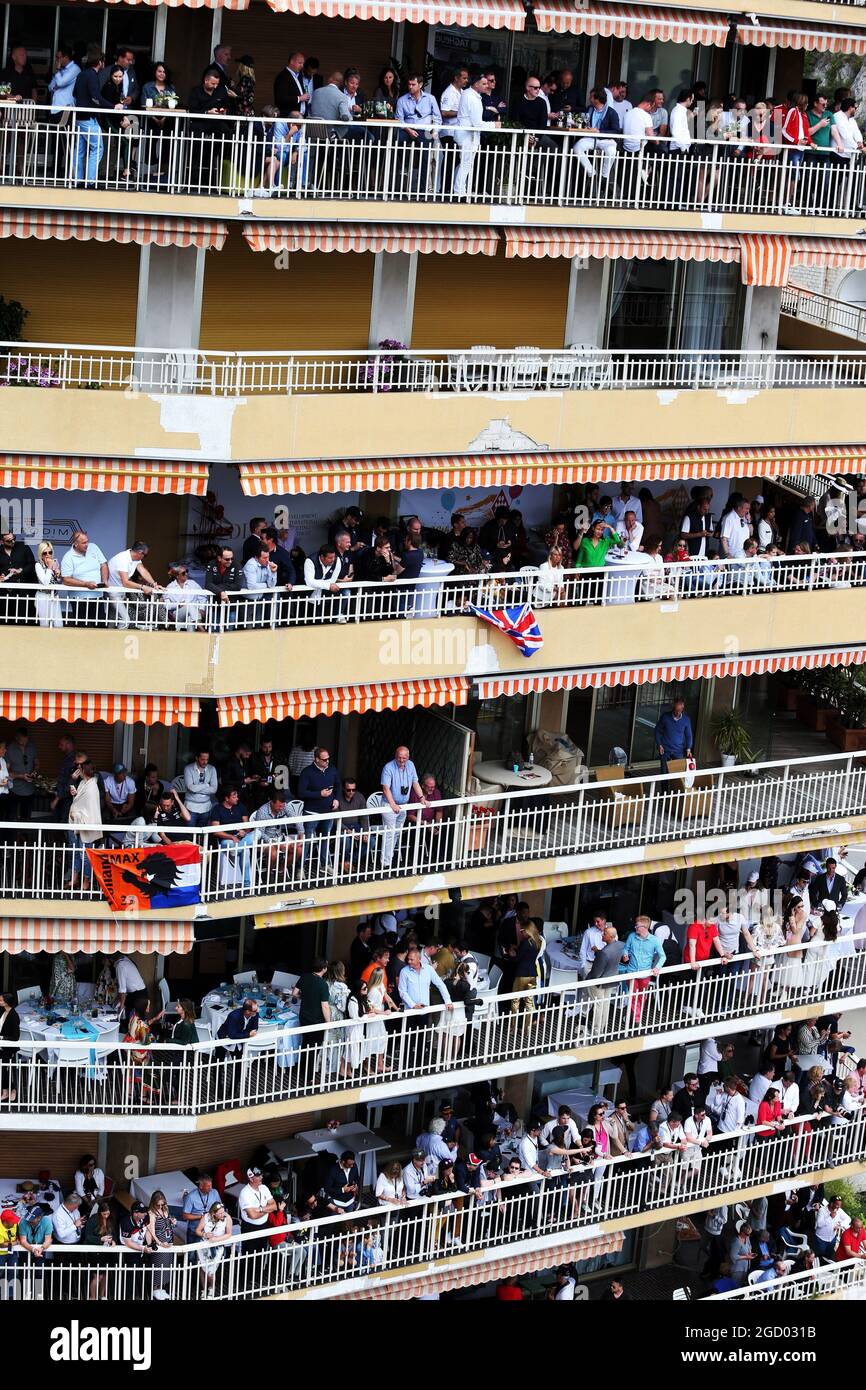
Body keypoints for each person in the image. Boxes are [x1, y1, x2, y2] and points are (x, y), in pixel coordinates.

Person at [379, 745, 425, 870]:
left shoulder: (411, 765)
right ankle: (385, 863)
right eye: (399, 757)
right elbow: (386, 788)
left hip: (403, 805)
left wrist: (421, 797)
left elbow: (415, 782)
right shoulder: (388, 767)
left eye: (404, 758)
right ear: (395, 756)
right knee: (389, 833)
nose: (401, 760)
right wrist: (393, 804)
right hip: (389, 805)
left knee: (397, 832)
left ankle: (389, 858)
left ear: (408, 757)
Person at [195, 1201, 232, 1294]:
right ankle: (204, 1289)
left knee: (211, 1272)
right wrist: (205, 1234)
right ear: (213, 1213)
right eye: (220, 1213)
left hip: (217, 1247)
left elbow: (229, 1234)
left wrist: (216, 1239)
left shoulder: (227, 1218)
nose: (223, 1214)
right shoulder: (206, 1217)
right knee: (203, 1269)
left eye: (223, 1212)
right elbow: (198, 1230)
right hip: (204, 1246)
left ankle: (211, 1288)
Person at [654, 696, 693, 774]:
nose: (678, 712)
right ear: (673, 707)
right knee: (664, 774)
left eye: (680, 710)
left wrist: (688, 748)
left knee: (678, 774)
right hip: (665, 750)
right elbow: (657, 731)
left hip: (678, 751)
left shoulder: (686, 720)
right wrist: (659, 744)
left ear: (682, 708)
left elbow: (689, 736)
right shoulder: (665, 717)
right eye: (676, 710)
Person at [181, 1173, 221, 1244]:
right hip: (194, 1230)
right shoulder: (191, 1197)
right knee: (192, 1251)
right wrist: (201, 1216)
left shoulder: (214, 1192)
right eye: (208, 1186)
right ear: (201, 1186)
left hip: (211, 1230)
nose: (211, 1188)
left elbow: (220, 1207)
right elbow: (185, 1216)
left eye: (211, 1185)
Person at [0, 993, 20, 1103]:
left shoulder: (14, 1016)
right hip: (1, 1046)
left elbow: (16, 1037)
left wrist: (2, 1037)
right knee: (2, 1069)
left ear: (7, 1002)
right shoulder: (3, 1011)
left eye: (1, 1000)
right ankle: (6, 1090)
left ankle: (12, 1090)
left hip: (7, 1048)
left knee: (3, 1069)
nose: (0, 1002)